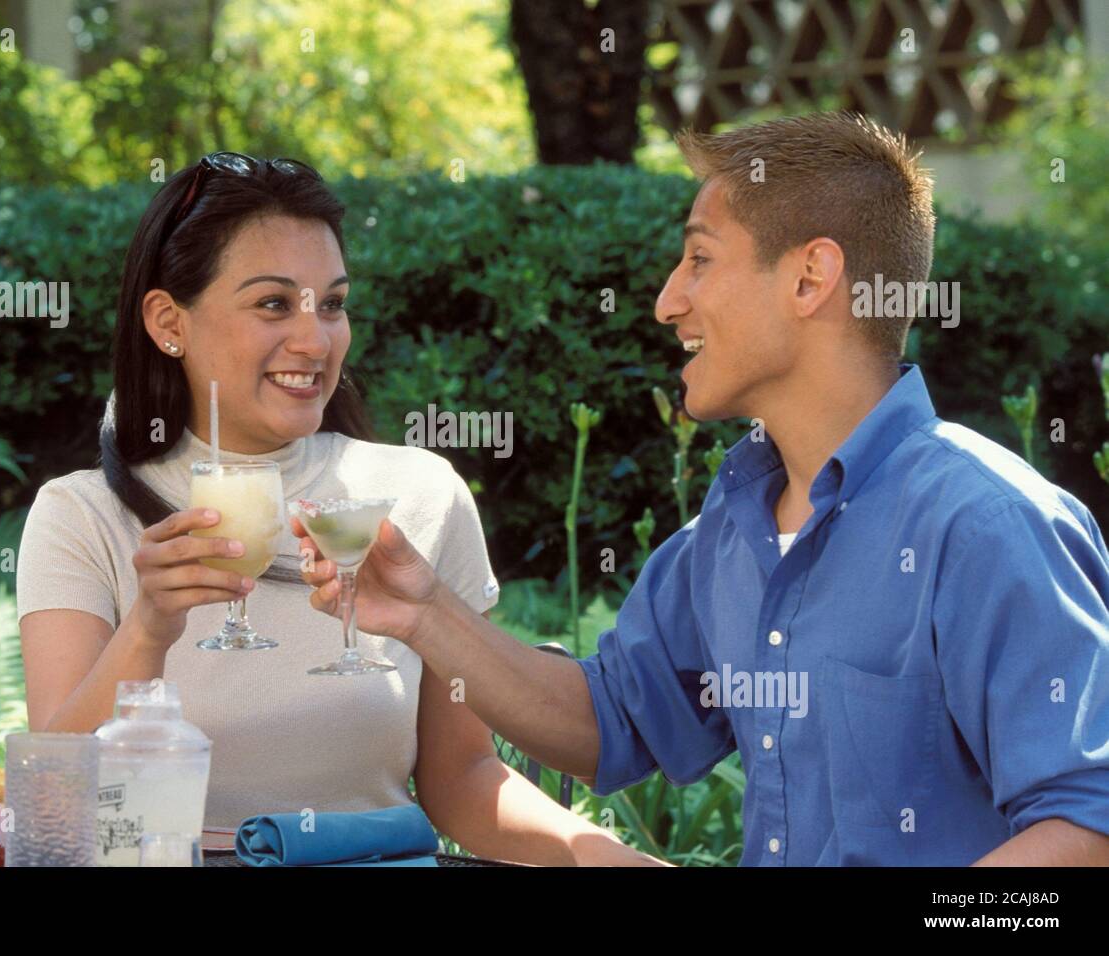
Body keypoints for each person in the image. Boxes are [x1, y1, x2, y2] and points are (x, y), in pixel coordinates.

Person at [292, 113, 1109, 866]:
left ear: (809, 278)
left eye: (700, 258)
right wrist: (425, 612)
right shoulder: (734, 527)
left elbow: (1088, 830)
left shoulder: (990, 524)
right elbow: (608, 719)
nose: (666, 301)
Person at [16, 153, 657, 866]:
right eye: (273, 304)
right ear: (170, 321)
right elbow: (50, 803)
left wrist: (613, 857)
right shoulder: (82, 516)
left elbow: (464, 779)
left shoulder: (414, 494)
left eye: (332, 303)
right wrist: (147, 631)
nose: (315, 340)